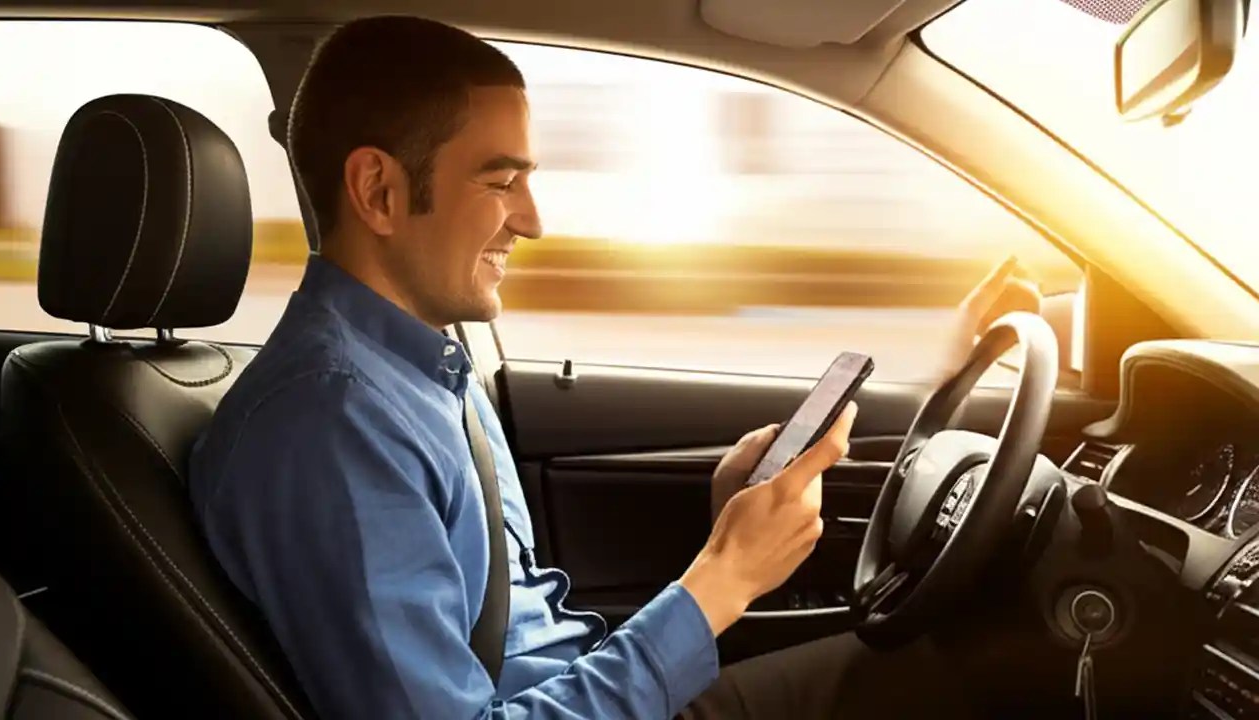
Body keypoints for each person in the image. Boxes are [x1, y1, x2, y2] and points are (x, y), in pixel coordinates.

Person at [188, 16, 1041, 720]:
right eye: (502, 181)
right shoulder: (329, 426)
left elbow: (520, 637)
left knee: (945, 655)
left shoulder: (417, 366)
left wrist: (718, 547)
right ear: (378, 192)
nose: (534, 219)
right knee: (961, 675)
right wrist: (721, 580)